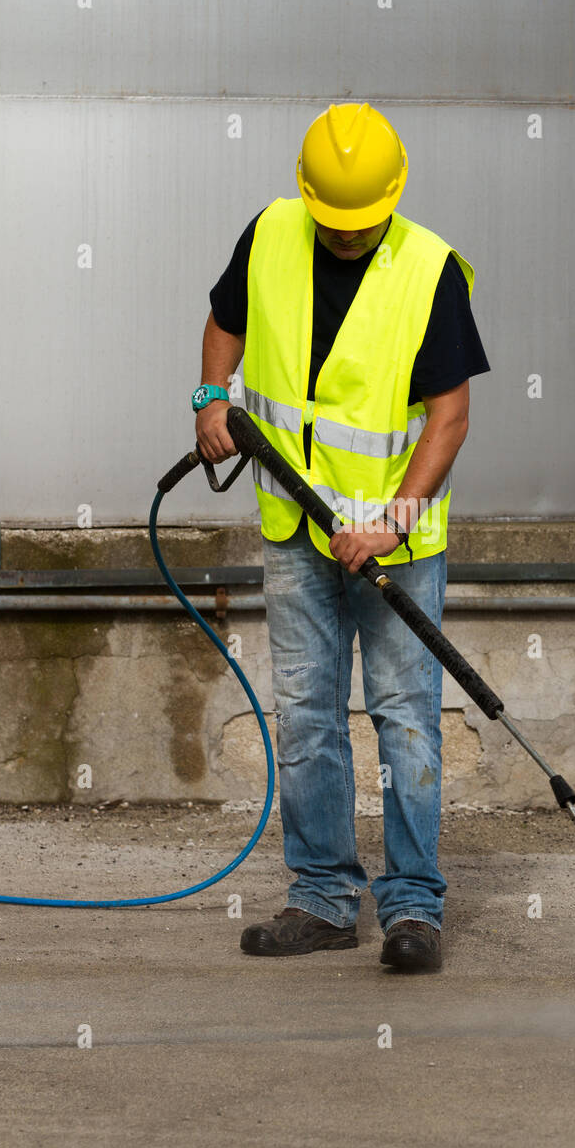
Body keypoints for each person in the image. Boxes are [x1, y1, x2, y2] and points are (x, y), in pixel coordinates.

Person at [195, 102, 489, 971]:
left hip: (394, 541)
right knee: (308, 717)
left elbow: (450, 416)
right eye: (337, 223)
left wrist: (390, 520)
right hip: (295, 527)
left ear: (390, 201)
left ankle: (411, 910)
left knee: (403, 719)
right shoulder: (273, 235)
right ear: (309, 199)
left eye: (364, 224)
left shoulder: (428, 270)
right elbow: (225, 322)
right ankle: (323, 896)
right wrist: (213, 397)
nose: (349, 236)